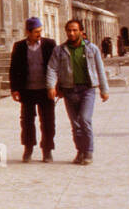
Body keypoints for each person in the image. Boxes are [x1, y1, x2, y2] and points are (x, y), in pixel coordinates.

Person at [47, 19, 110, 165]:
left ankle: (88, 151)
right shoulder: (60, 50)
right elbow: (52, 68)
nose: (71, 33)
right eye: (69, 30)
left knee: (84, 119)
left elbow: (100, 69)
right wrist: (51, 86)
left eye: (75, 30)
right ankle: (80, 151)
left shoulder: (91, 49)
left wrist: (104, 89)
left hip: (87, 90)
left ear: (81, 31)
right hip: (69, 90)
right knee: (75, 124)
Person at [9, 18, 56, 162]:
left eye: (40, 31)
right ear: (28, 32)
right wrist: (14, 89)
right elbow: (14, 69)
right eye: (36, 32)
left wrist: (55, 87)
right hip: (27, 90)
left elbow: (56, 67)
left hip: (45, 90)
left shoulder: (49, 44)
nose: (39, 34)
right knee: (27, 121)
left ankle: (47, 150)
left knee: (48, 121)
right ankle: (28, 148)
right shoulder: (19, 46)